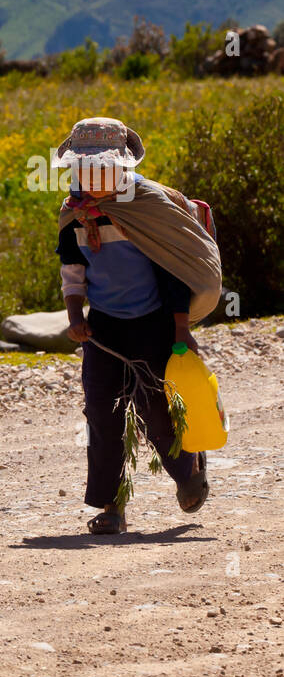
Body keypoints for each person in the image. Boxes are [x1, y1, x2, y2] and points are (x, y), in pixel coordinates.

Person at [53, 117, 209, 535]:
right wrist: (75, 316)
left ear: (122, 169)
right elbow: (73, 271)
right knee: (103, 416)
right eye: (84, 169)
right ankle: (112, 506)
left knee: (157, 413)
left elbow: (172, 272)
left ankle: (189, 469)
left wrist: (181, 330)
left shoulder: (148, 209)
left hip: (155, 324)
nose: (91, 176)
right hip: (104, 328)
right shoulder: (74, 215)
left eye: (100, 168)